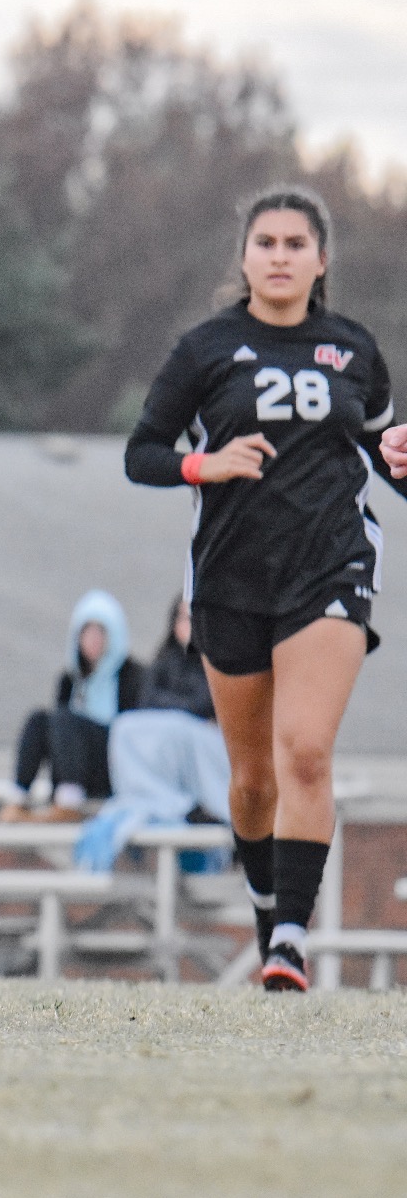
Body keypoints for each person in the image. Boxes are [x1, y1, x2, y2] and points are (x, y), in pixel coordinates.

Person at [128, 187, 407, 992]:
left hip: (331, 567)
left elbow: (382, 456)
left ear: (321, 260)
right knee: (252, 780)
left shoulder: (353, 348)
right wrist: (199, 463)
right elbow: (142, 452)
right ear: (245, 258)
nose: (280, 254)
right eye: (266, 242)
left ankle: (288, 939)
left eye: (296, 242)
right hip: (230, 579)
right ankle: (265, 905)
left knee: (307, 753)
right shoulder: (206, 350)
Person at [76, 599, 231, 872]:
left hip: (198, 746)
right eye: (183, 618)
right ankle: (161, 801)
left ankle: (190, 804)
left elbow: (205, 703)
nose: (188, 626)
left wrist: (178, 712)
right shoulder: (164, 662)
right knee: (126, 729)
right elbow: (148, 698)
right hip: (161, 746)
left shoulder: (217, 664)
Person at [2, 591, 144, 823]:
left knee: (65, 718)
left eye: (101, 632)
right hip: (74, 764)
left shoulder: (133, 677)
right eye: (87, 632)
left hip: (112, 764)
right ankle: (18, 796)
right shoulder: (70, 680)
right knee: (40, 719)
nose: (93, 639)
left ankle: (69, 801)